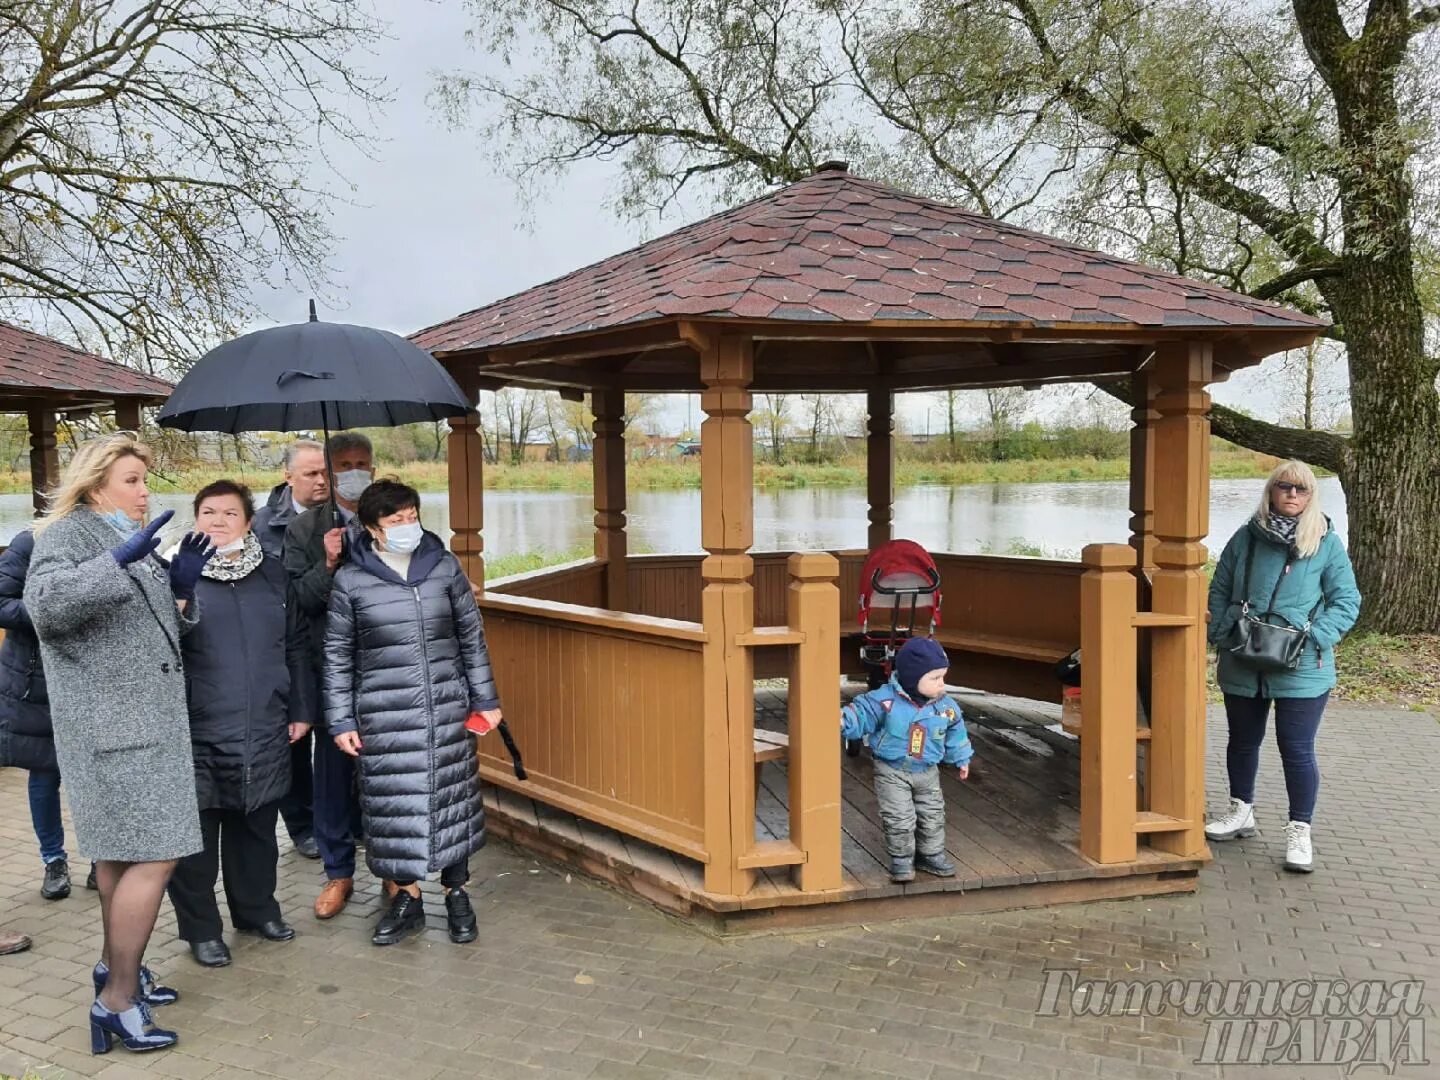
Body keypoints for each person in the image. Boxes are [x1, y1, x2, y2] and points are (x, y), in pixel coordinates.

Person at [24, 433, 215, 1054]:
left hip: (143, 724)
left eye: (145, 479)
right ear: (96, 480)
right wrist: (120, 561)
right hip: (115, 729)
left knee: (118, 858)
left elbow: (150, 626)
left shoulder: (113, 536)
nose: (144, 491)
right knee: (157, 855)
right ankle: (116, 1002)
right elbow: (46, 608)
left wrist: (181, 589)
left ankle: (117, 971)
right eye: (132, 479)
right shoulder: (69, 536)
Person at [324, 479, 499, 946]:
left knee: (454, 803)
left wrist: (485, 700)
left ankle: (457, 894)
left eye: (411, 516)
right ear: (371, 529)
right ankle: (407, 899)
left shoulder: (443, 567)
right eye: (394, 520)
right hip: (383, 716)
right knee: (393, 810)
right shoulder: (351, 579)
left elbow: (471, 639)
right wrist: (341, 719)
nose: (406, 526)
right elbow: (337, 655)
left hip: (446, 708)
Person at [164, 481, 312, 968]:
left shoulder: (272, 574)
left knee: (257, 828)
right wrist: (178, 595)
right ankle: (202, 929)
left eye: (230, 513)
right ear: (195, 517)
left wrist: (300, 707)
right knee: (198, 839)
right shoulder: (172, 572)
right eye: (208, 511)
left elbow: (294, 645)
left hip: (265, 721)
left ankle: (256, 911)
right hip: (196, 725)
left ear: (249, 522)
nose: (218, 520)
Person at [1205, 460, 1361, 873]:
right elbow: (1219, 589)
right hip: (1242, 660)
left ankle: (1299, 829)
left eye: (1302, 489)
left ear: (1311, 496)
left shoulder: (1325, 542)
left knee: (1296, 749)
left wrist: (1314, 638)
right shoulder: (1244, 538)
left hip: (1302, 667)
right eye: (1284, 487)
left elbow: (1347, 601)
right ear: (1271, 491)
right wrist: (1223, 632)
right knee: (1241, 741)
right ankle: (1241, 811)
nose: (1292, 494)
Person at [283, 431, 374, 919]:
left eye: (363, 463)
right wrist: (330, 561)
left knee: (385, 780)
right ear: (329, 473)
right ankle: (338, 873)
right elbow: (297, 603)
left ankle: (396, 875)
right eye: (345, 465)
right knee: (333, 779)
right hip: (331, 674)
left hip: (386, 673)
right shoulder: (303, 532)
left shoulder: (390, 518)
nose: (355, 471)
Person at [841, 637, 973, 884]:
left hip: (928, 770)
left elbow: (956, 729)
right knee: (899, 816)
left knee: (932, 814)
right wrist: (844, 720)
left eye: (943, 677)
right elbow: (862, 712)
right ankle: (901, 859)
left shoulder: (945, 706)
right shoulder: (886, 701)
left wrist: (961, 757)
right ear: (913, 678)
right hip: (892, 770)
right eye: (935, 678)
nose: (942, 684)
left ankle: (930, 855)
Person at [253, 439, 330, 860]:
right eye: (310, 473)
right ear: (288, 476)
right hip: (286, 651)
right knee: (295, 742)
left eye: (325, 473)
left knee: (338, 740)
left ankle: (341, 819)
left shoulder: (343, 518)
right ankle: (302, 826)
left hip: (333, 644)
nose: (321, 481)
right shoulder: (260, 526)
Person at [0, 529, 71, 900]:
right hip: (35, 679)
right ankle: (53, 860)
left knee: (92, 774)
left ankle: (102, 858)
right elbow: (2, 603)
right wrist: (52, 611)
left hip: (88, 679)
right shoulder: (31, 541)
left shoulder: (113, 538)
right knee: (44, 774)